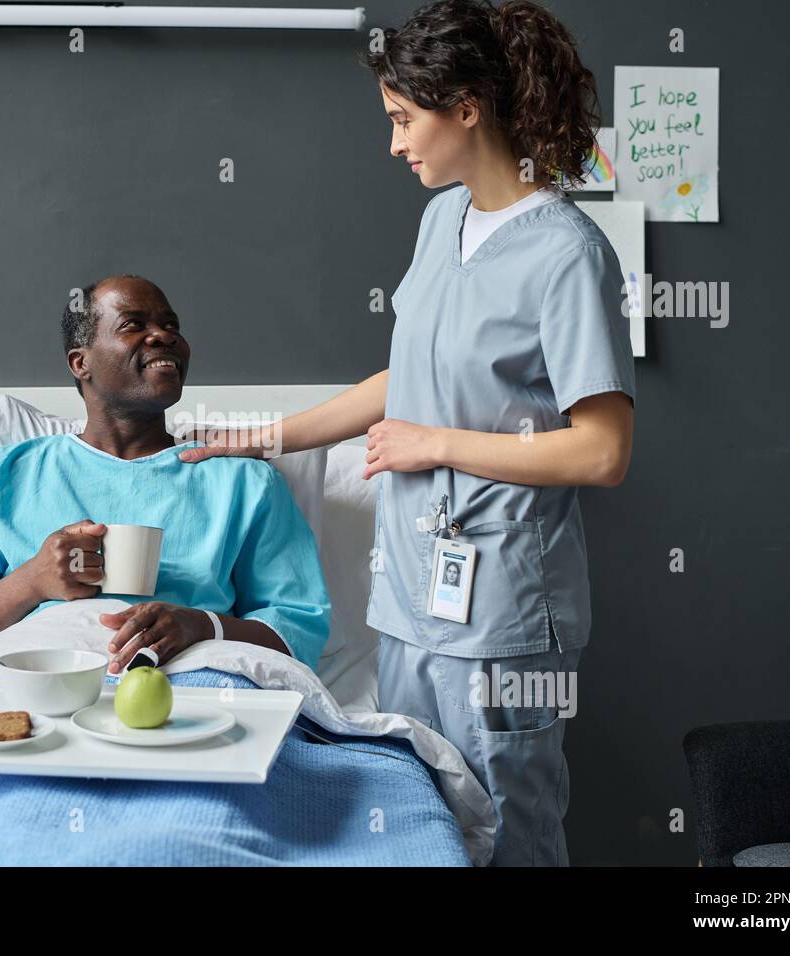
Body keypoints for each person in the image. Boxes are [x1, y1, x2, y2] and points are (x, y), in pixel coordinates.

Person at [179, 0, 635, 865]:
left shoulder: (566, 253)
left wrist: (436, 444)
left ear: (466, 107)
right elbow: (409, 379)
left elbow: (603, 450)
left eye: (403, 119)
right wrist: (264, 436)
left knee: (508, 828)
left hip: (502, 608)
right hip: (412, 592)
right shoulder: (442, 222)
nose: (394, 144)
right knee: (420, 812)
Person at [0, 274, 330, 674]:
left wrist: (203, 626)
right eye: (133, 324)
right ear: (81, 362)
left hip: (189, 687)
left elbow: (296, 636)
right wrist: (31, 582)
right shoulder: (5, 475)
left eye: (171, 326)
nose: (164, 335)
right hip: (32, 684)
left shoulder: (243, 482)